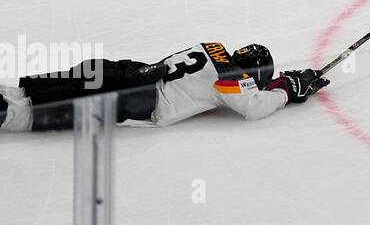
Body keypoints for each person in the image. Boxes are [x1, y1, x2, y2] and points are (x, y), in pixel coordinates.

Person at [0, 42, 327, 132]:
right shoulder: (233, 82)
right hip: (145, 99)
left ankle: (10, 92)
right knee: (72, 107)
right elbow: (252, 108)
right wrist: (286, 90)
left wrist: (276, 80)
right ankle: (9, 114)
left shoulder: (212, 47)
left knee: (82, 77)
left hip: (136, 72)